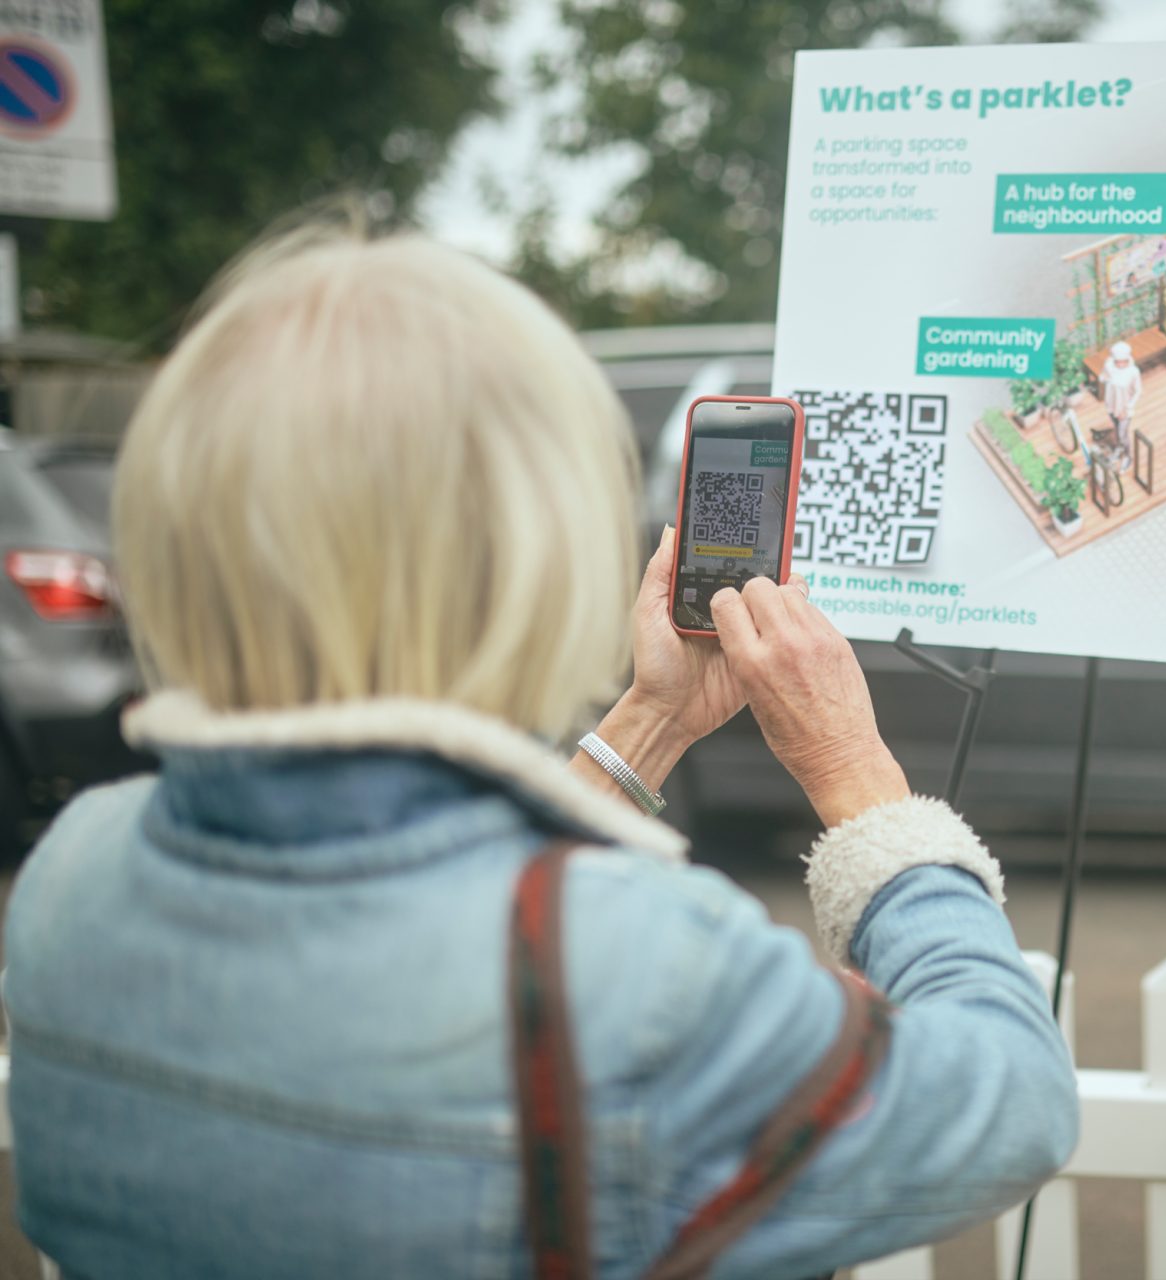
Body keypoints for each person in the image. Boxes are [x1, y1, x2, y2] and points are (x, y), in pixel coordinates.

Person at [1, 219, 1078, 1279]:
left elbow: (431, 890)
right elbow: (1010, 1096)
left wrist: (650, 721)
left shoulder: (75, 873)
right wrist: (856, 773)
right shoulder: (646, 966)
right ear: (528, 548)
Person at [1100, 339, 1143, 472]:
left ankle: (1128, 456)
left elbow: (1138, 391)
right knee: (1116, 429)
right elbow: (1103, 377)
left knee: (1122, 433)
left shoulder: (1133, 372)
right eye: (1117, 361)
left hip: (1124, 409)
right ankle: (1119, 449)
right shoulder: (1109, 365)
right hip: (1112, 406)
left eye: (1123, 361)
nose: (1120, 364)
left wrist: (1127, 408)